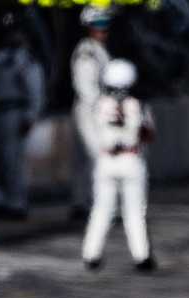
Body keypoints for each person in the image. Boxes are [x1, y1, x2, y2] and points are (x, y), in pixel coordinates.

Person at [82, 58, 155, 272]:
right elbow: (149, 135)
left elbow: (93, 130)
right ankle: (141, 256)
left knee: (101, 209)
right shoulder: (138, 104)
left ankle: (91, 255)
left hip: (106, 159)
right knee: (134, 211)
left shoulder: (98, 104)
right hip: (131, 158)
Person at [0, 13, 43, 221]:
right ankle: (5, 200)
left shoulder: (24, 59)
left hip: (14, 112)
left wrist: (30, 115)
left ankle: (17, 203)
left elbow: (35, 90)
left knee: (13, 160)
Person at [71, 5, 114, 213]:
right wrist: (103, 108)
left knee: (85, 160)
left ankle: (82, 202)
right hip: (90, 109)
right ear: (88, 27)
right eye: (98, 24)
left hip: (93, 107)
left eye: (105, 24)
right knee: (98, 156)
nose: (102, 29)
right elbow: (86, 87)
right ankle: (96, 203)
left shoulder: (98, 50)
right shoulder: (87, 52)